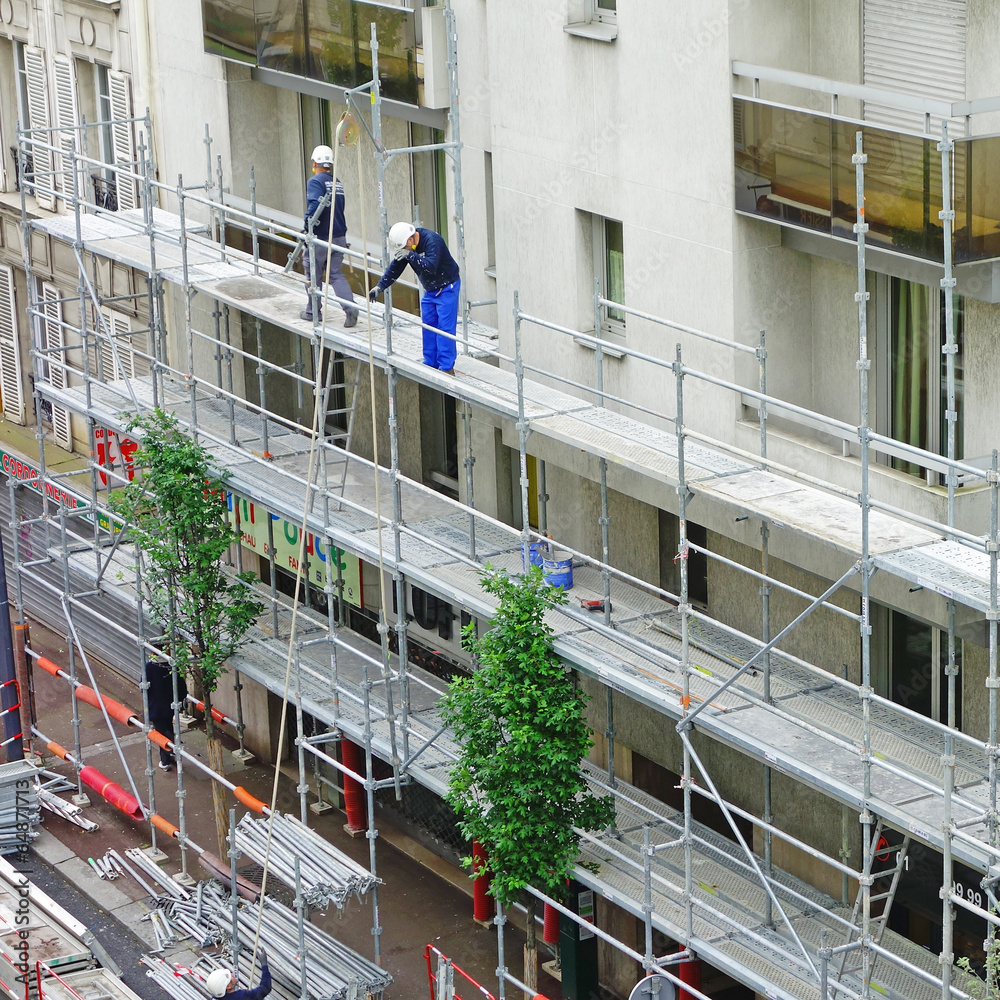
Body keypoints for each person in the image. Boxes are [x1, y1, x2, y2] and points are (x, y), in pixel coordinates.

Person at [369, 222, 461, 374]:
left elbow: (431, 266)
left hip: (447, 287)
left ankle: (446, 366)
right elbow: (395, 268)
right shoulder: (407, 248)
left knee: (445, 327)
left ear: (410, 240)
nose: (405, 251)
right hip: (431, 290)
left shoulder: (432, 241)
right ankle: (431, 362)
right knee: (428, 325)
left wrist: (410, 254)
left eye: (405, 247)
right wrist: (380, 286)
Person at [301, 144, 359, 329]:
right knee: (335, 274)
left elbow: (315, 205)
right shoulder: (337, 182)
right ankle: (350, 309)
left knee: (313, 272)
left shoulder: (315, 182)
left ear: (315, 162)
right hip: (339, 236)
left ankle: (312, 311)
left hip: (321, 237)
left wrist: (306, 226)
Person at [144, 657, 186, 772]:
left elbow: (144, 687)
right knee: (167, 726)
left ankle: (167, 759)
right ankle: (170, 752)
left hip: (156, 707)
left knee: (161, 733)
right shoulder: (172, 665)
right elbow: (182, 687)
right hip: (170, 705)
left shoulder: (149, 667)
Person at [206, 948, 271, 1000]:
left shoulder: (216, 996)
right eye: (230, 976)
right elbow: (265, 988)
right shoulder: (241, 997)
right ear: (228, 986)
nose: (232, 974)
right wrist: (264, 965)